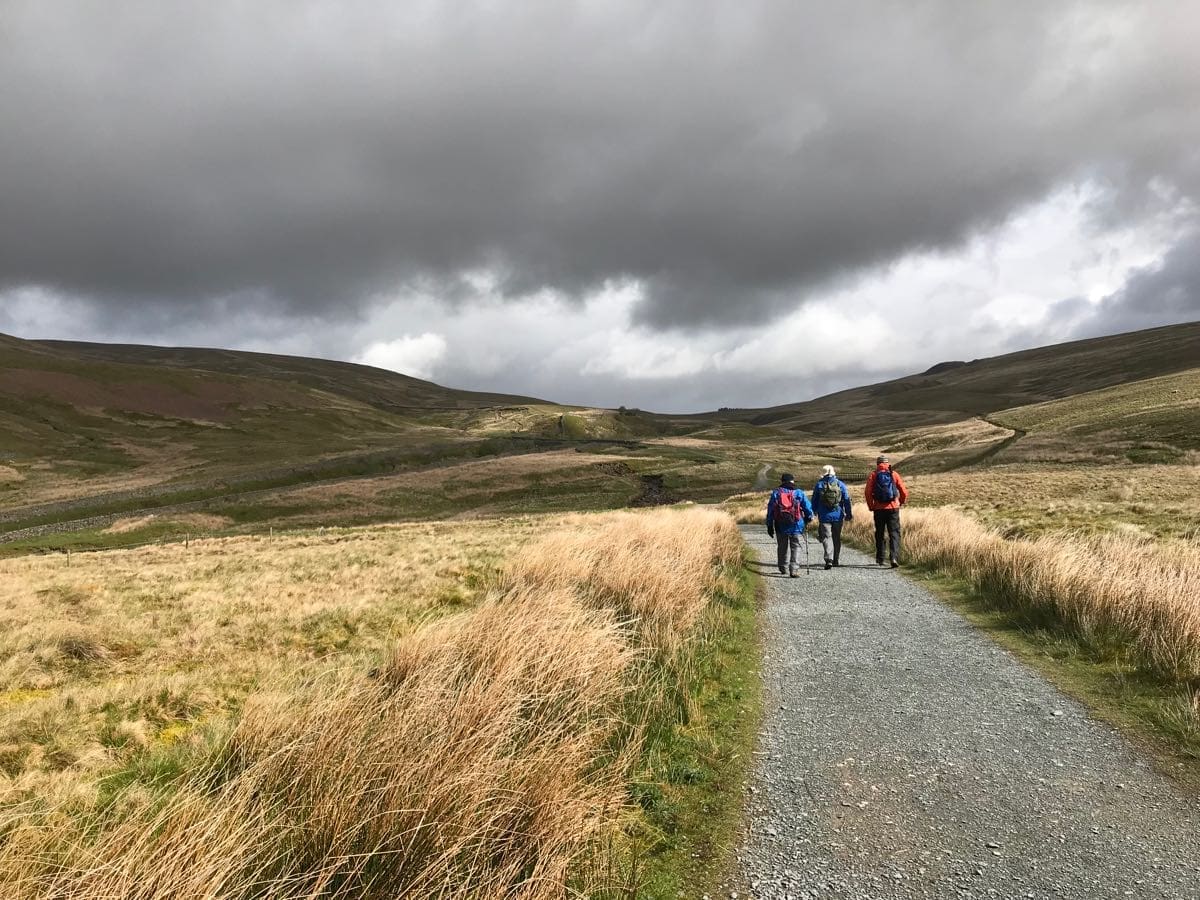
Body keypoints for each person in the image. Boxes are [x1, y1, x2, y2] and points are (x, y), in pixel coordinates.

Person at [766, 472, 814, 577]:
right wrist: (809, 517)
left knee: (782, 547)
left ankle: (783, 568)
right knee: (796, 546)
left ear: (782, 481)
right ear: (792, 481)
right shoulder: (798, 492)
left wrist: (769, 525)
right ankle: (794, 570)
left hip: (780, 525)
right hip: (797, 524)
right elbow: (807, 507)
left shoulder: (776, 493)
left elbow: (770, 510)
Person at [864, 454, 908, 567]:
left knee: (880, 533)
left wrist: (871, 506)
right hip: (893, 508)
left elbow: (868, 492)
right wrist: (901, 502)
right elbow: (903, 491)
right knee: (894, 533)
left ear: (878, 464)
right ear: (888, 463)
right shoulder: (894, 474)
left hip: (878, 509)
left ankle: (880, 558)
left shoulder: (873, 475)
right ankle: (894, 557)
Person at [810, 464, 852, 570]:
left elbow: (814, 500)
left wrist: (813, 512)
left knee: (826, 537)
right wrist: (849, 513)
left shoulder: (819, 485)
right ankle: (836, 560)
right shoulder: (840, 484)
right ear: (833, 473)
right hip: (838, 516)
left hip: (824, 516)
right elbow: (847, 500)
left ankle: (829, 559)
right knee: (836, 538)